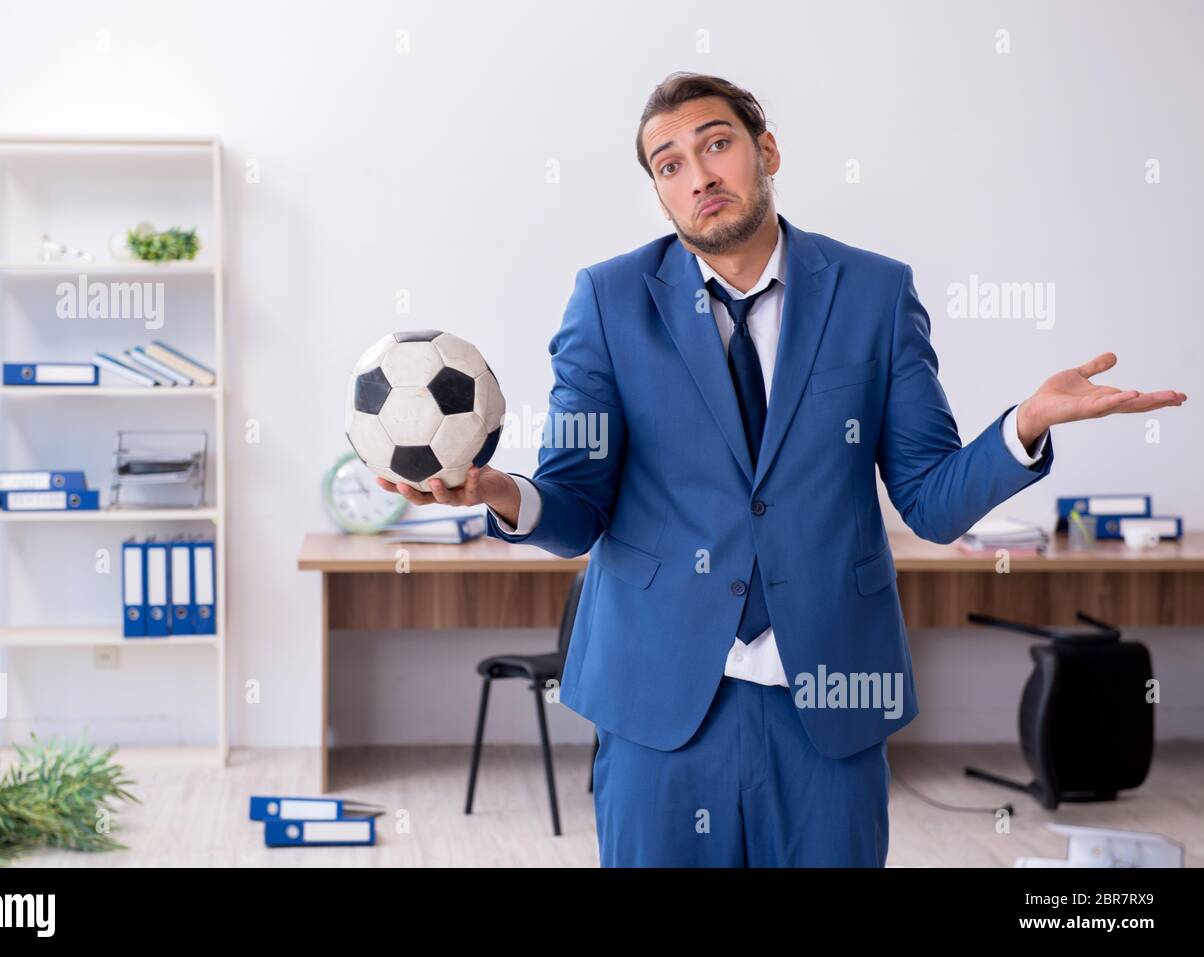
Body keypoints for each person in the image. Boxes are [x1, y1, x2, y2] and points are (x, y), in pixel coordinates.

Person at [376, 72, 1187, 867]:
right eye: (669, 165)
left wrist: (1023, 427)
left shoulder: (873, 292)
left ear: (766, 150)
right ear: (659, 193)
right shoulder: (609, 300)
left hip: (829, 699)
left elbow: (930, 500)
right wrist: (494, 490)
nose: (698, 176)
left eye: (716, 144)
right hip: (659, 700)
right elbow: (576, 501)